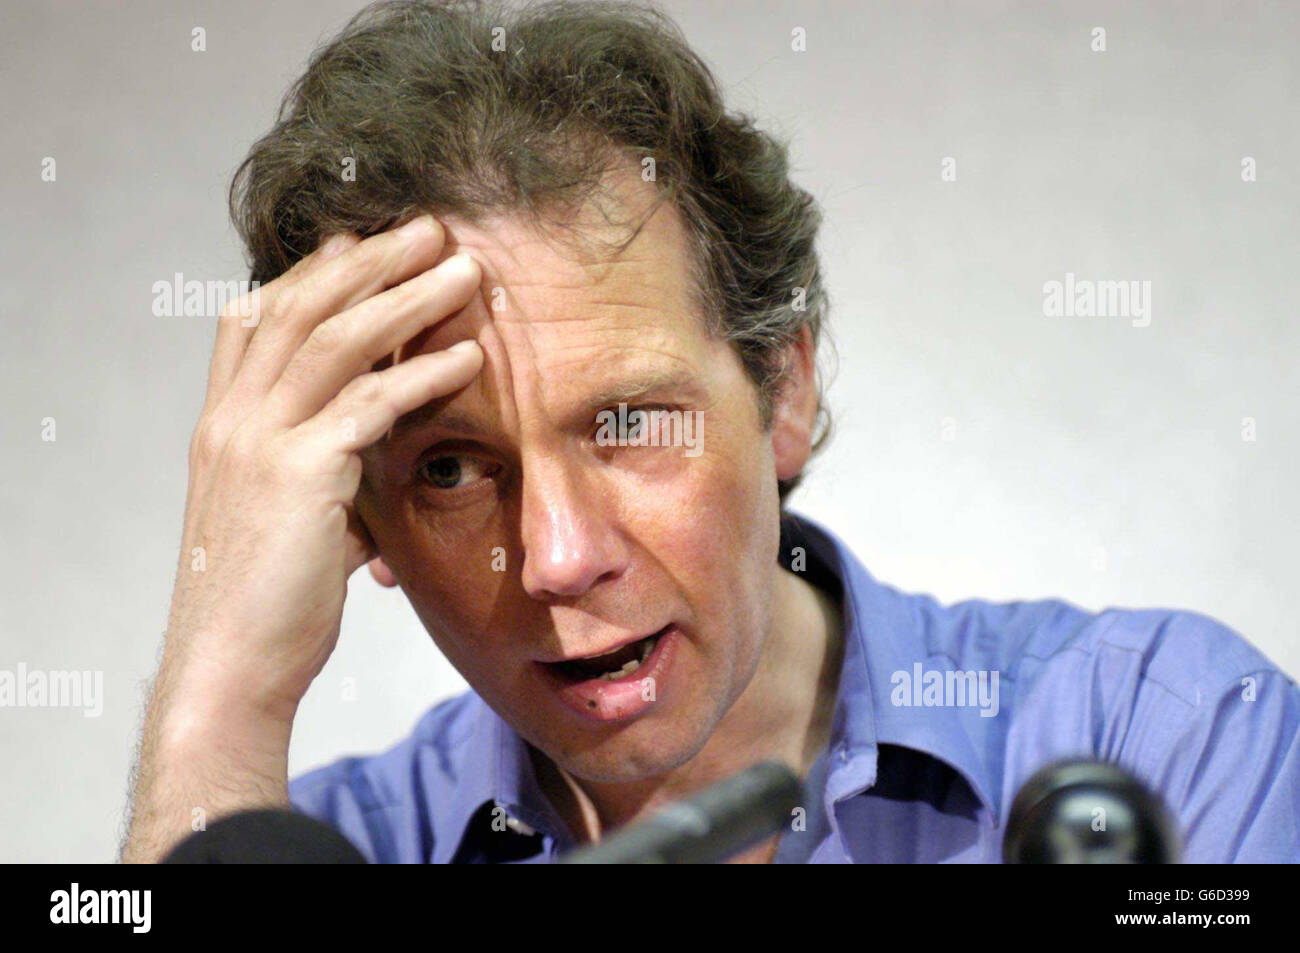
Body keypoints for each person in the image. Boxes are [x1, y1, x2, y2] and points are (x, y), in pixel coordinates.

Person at [122, 0, 1299, 863]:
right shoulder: (334, 850)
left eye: (627, 422)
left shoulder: (1169, 737)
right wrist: (215, 707)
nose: (558, 554)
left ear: (783, 388)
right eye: (447, 467)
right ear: (358, 518)